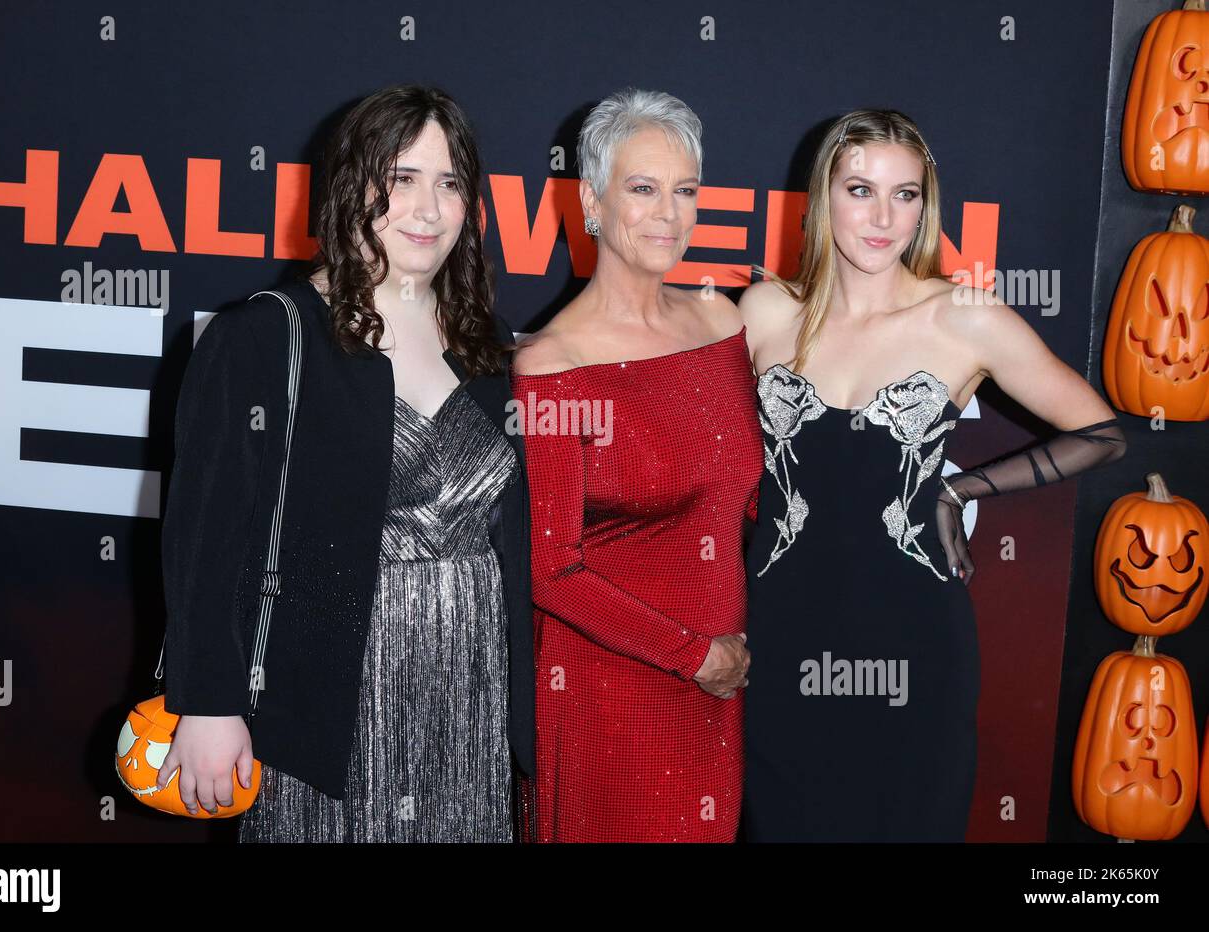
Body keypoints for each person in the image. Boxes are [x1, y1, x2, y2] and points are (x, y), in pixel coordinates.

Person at [155, 84, 536, 842]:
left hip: (471, 689)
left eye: (450, 183)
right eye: (400, 178)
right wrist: (206, 702)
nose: (429, 209)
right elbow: (205, 539)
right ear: (348, 186)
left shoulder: (493, 344)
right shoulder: (261, 339)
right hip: (322, 696)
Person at [739, 109, 1127, 842]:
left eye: (905, 195)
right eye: (861, 190)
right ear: (824, 195)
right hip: (782, 633)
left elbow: (1101, 432)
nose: (884, 217)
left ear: (927, 205)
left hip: (911, 641)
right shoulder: (764, 311)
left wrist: (960, 487)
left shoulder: (962, 317)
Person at [510, 87, 761, 842]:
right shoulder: (553, 364)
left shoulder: (721, 321)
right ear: (591, 200)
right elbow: (548, 567)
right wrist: (692, 657)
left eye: (685, 191)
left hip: (722, 682)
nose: (670, 214)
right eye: (643, 189)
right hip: (608, 688)